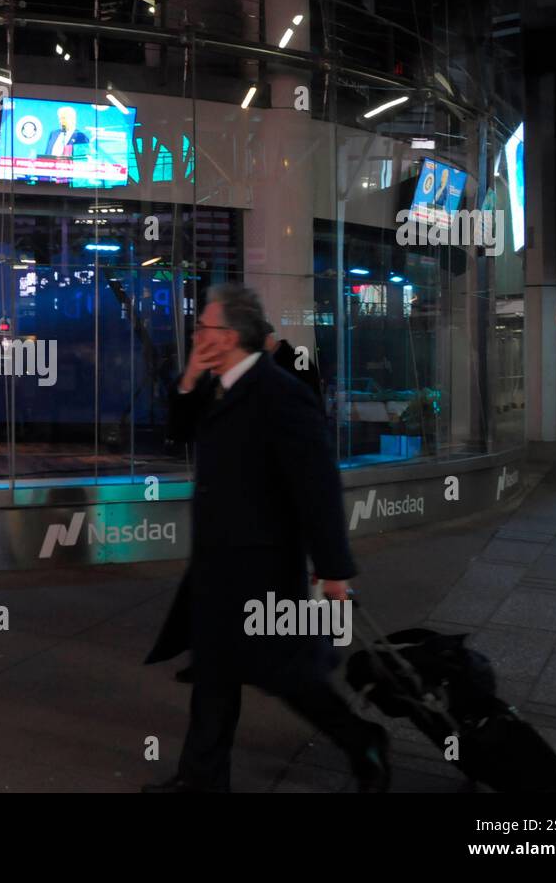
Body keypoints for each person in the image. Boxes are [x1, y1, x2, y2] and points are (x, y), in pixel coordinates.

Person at [143, 282, 389, 793]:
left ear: (228, 335)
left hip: (261, 570)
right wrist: (189, 375)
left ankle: (361, 738)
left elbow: (317, 486)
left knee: (287, 675)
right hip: (217, 565)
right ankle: (201, 780)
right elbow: (180, 432)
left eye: (204, 327)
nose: (196, 335)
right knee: (214, 675)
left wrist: (334, 570)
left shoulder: (281, 395)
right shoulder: (219, 387)